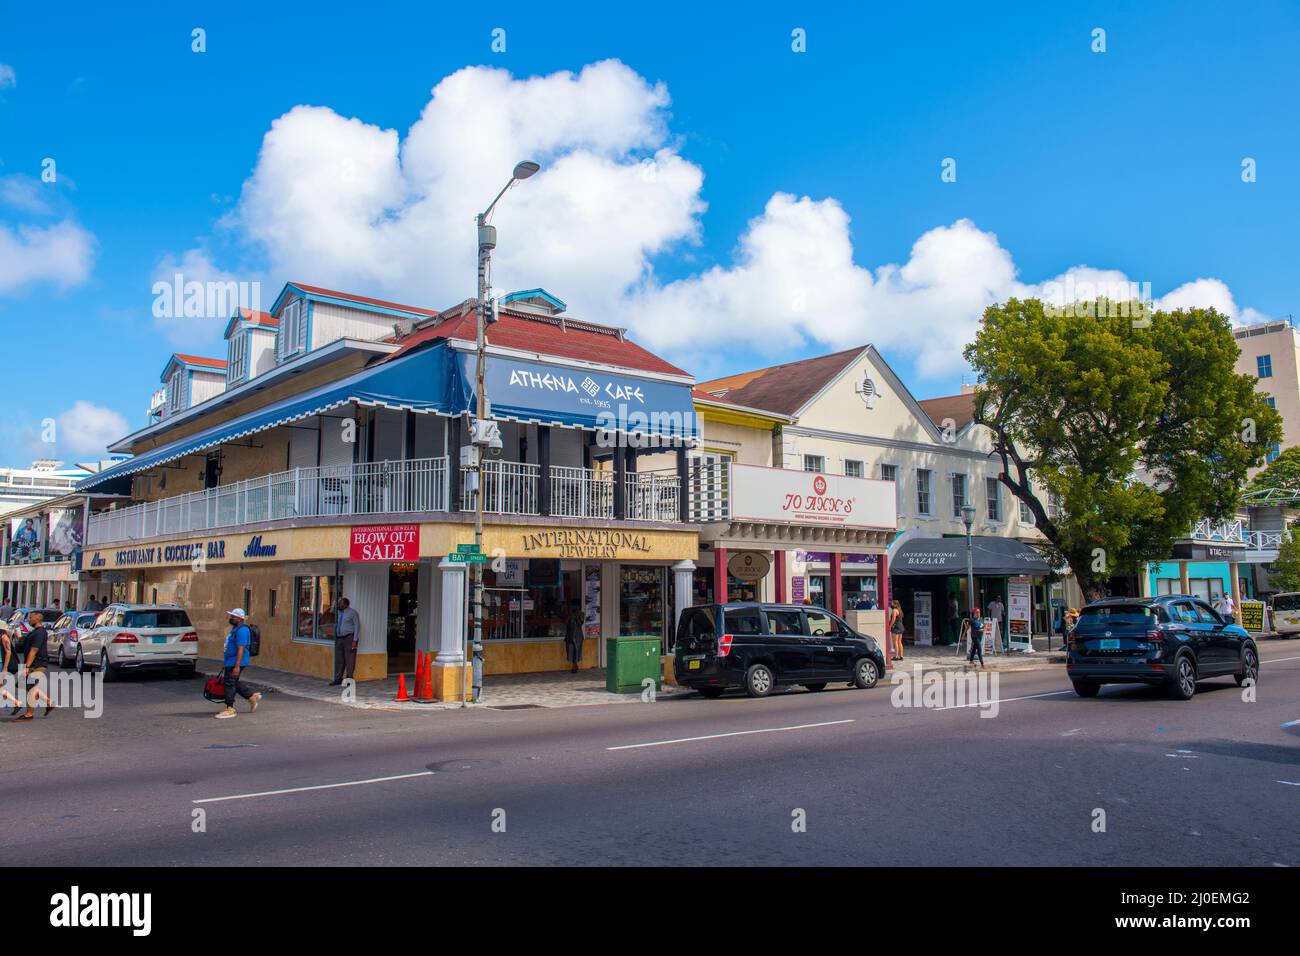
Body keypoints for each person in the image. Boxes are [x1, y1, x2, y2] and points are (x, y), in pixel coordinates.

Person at [215, 608, 261, 719]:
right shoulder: (236, 628)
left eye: (233, 616)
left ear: (240, 618)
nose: (231, 618)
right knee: (232, 681)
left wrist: (237, 666)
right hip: (231, 660)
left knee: (229, 683)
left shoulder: (242, 630)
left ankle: (230, 708)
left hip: (236, 661)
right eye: (231, 616)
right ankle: (251, 697)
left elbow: (241, 648)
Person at [14, 611, 54, 719]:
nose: (29, 619)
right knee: (28, 686)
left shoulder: (40, 633)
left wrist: (27, 667)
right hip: (33, 664)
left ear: (37, 619)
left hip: (37, 664)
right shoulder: (35, 632)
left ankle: (29, 714)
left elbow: (34, 650)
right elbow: (24, 645)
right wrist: (19, 638)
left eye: (30, 617)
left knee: (30, 687)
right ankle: (49, 702)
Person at [330, 597, 360, 686]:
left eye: (340, 603)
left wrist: (355, 640)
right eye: (338, 603)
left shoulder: (353, 613)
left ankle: (349, 679)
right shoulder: (338, 612)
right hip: (339, 638)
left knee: (349, 659)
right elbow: (331, 611)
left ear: (346, 604)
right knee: (339, 659)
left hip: (349, 638)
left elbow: (357, 626)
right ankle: (338, 678)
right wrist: (335, 602)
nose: (339, 605)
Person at [564, 605, 584, 674]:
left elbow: (580, 623)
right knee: (570, 651)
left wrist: (576, 616)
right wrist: (570, 616)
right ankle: (575, 665)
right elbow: (566, 622)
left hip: (578, 636)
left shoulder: (581, 614)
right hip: (570, 636)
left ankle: (574, 666)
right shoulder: (569, 615)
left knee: (577, 651)